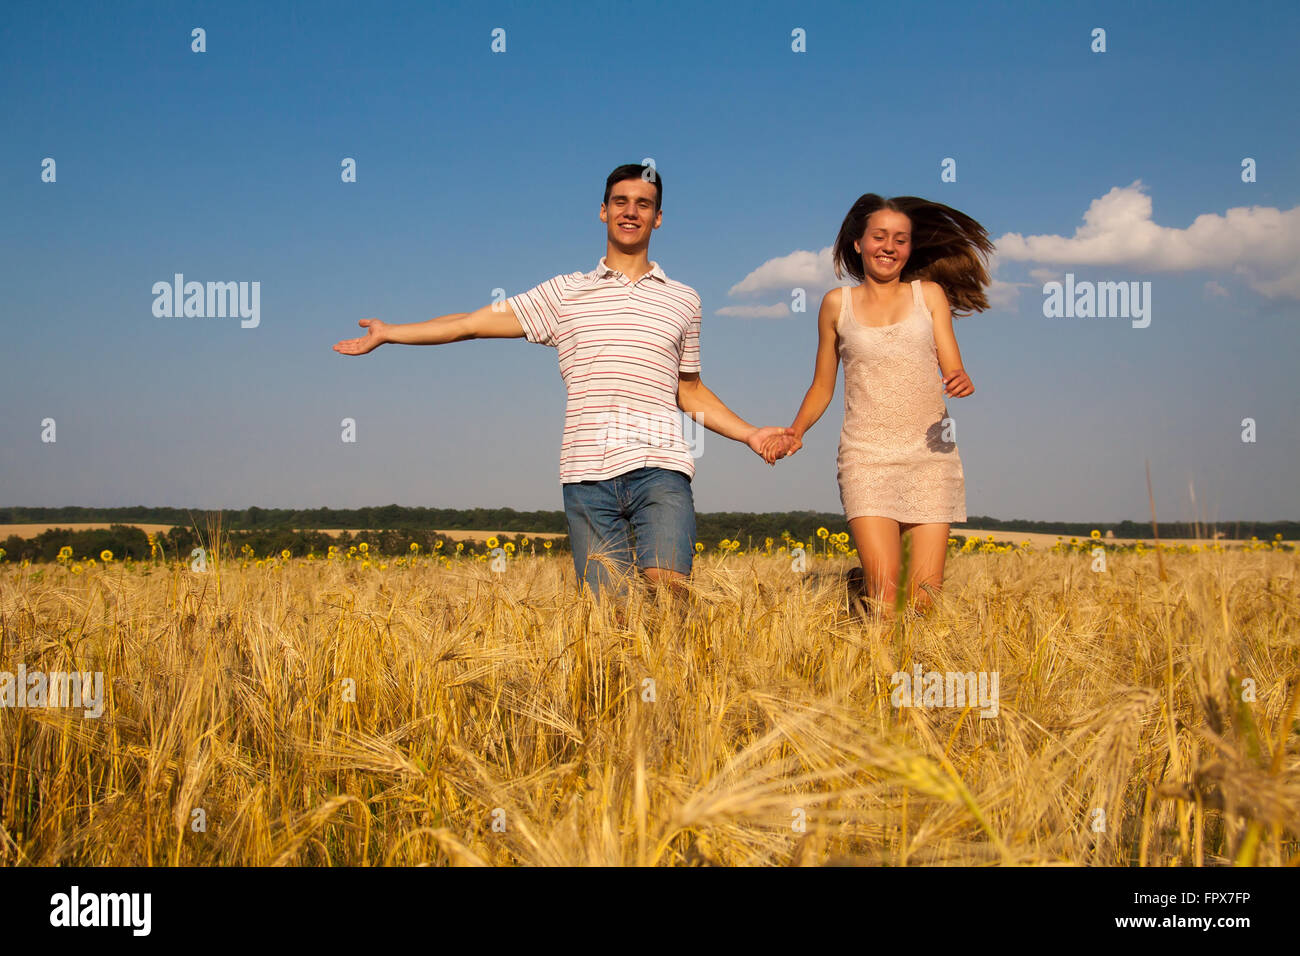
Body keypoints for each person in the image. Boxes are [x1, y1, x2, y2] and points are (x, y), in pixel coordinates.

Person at [333, 163, 795, 599]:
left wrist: (750, 433)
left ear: (658, 218)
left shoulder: (684, 300)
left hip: (661, 467)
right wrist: (391, 332)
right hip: (585, 474)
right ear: (603, 211)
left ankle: (675, 683)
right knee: (609, 616)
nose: (630, 211)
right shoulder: (565, 293)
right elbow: (470, 323)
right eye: (620, 201)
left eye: (643, 203)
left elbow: (689, 389)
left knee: (669, 592)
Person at [764, 194, 992, 618]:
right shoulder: (837, 304)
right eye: (880, 237)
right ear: (858, 243)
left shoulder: (930, 296)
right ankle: (872, 646)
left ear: (909, 249)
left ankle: (902, 667)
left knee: (923, 602)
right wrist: (796, 431)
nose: (889, 246)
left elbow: (952, 365)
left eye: (900, 239)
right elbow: (822, 386)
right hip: (866, 456)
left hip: (930, 456)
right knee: (886, 601)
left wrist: (960, 378)